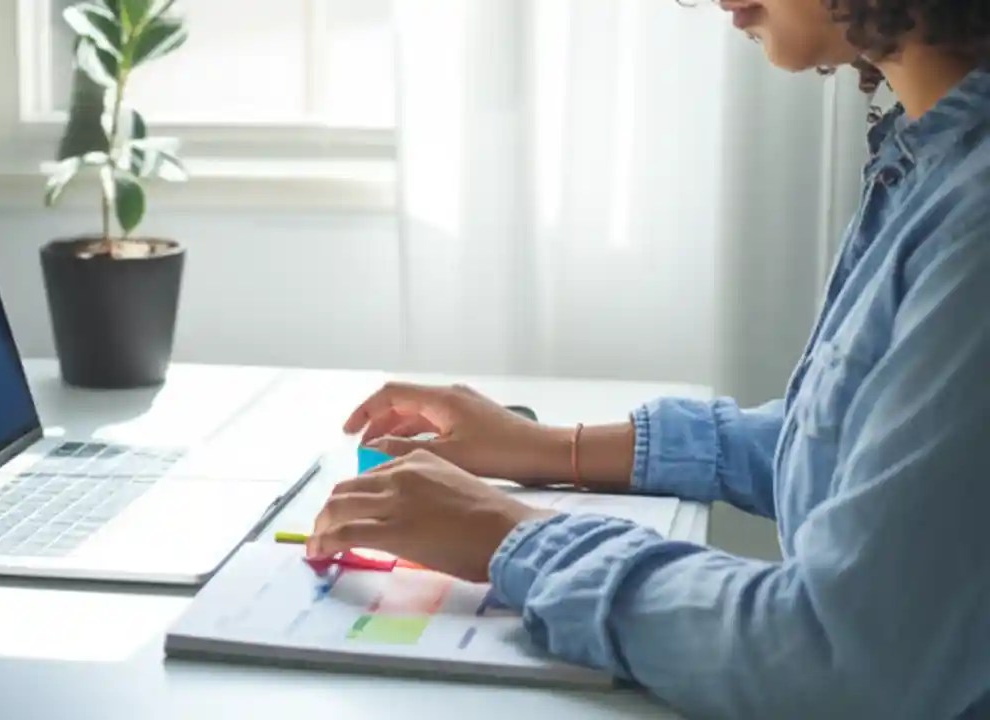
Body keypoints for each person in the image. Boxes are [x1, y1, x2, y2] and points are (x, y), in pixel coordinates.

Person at [307, 1, 990, 717]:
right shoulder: (933, 156)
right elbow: (850, 441)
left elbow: (833, 654)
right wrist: (551, 449)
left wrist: (509, 538)